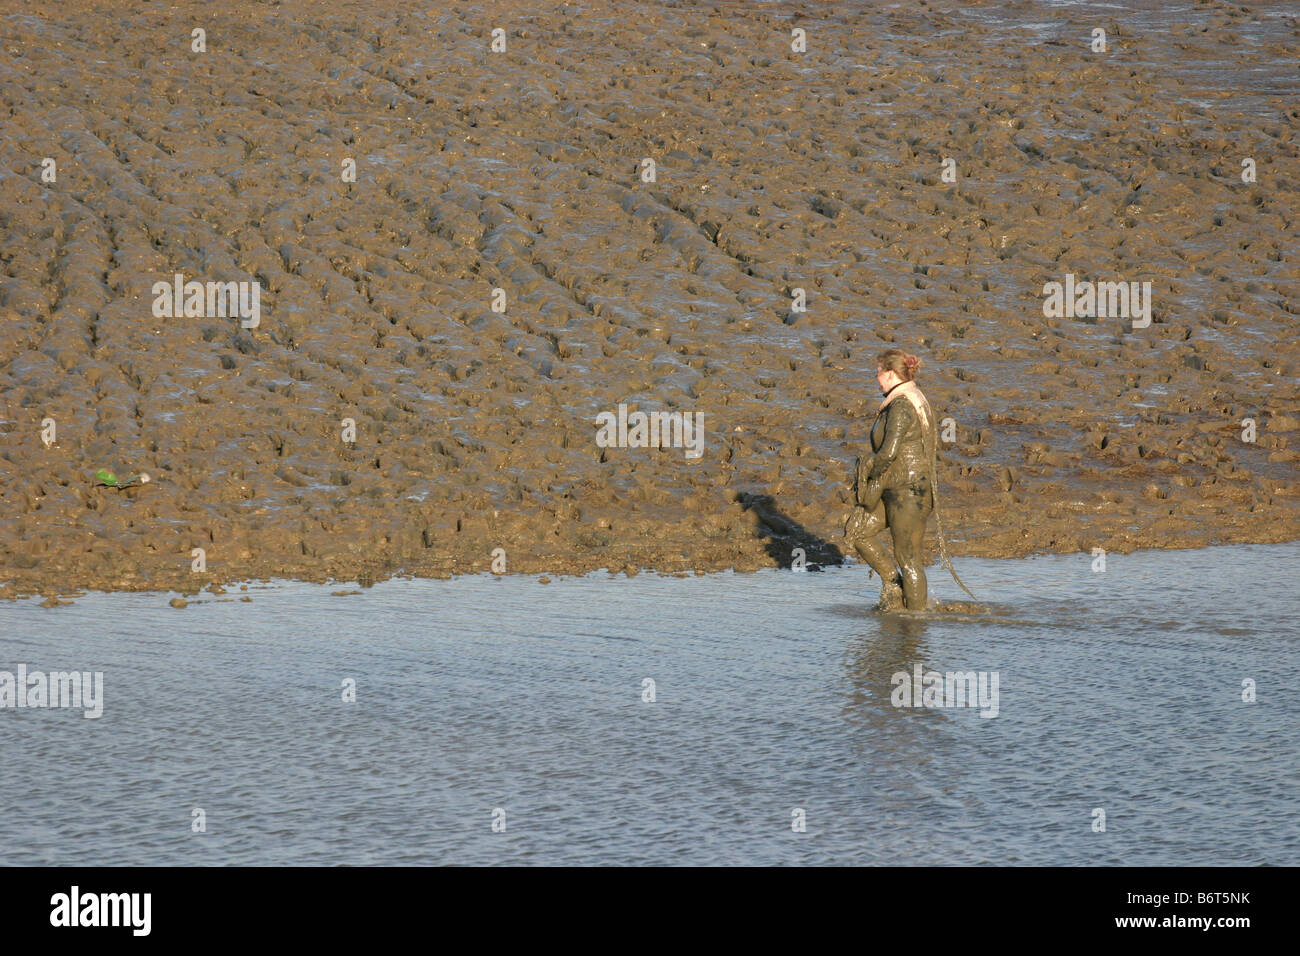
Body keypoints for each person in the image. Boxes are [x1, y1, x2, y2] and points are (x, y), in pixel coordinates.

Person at [844, 349, 937, 611]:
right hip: (893, 487)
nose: (876, 379)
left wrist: (864, 472)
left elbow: (888, 453)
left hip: (909, 492)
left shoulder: (901, 405)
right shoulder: (906, 397)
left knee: (908, 558)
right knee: (858, 532)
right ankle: (893, 584)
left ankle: (915, 622)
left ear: (889, 374)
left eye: (877, 373)